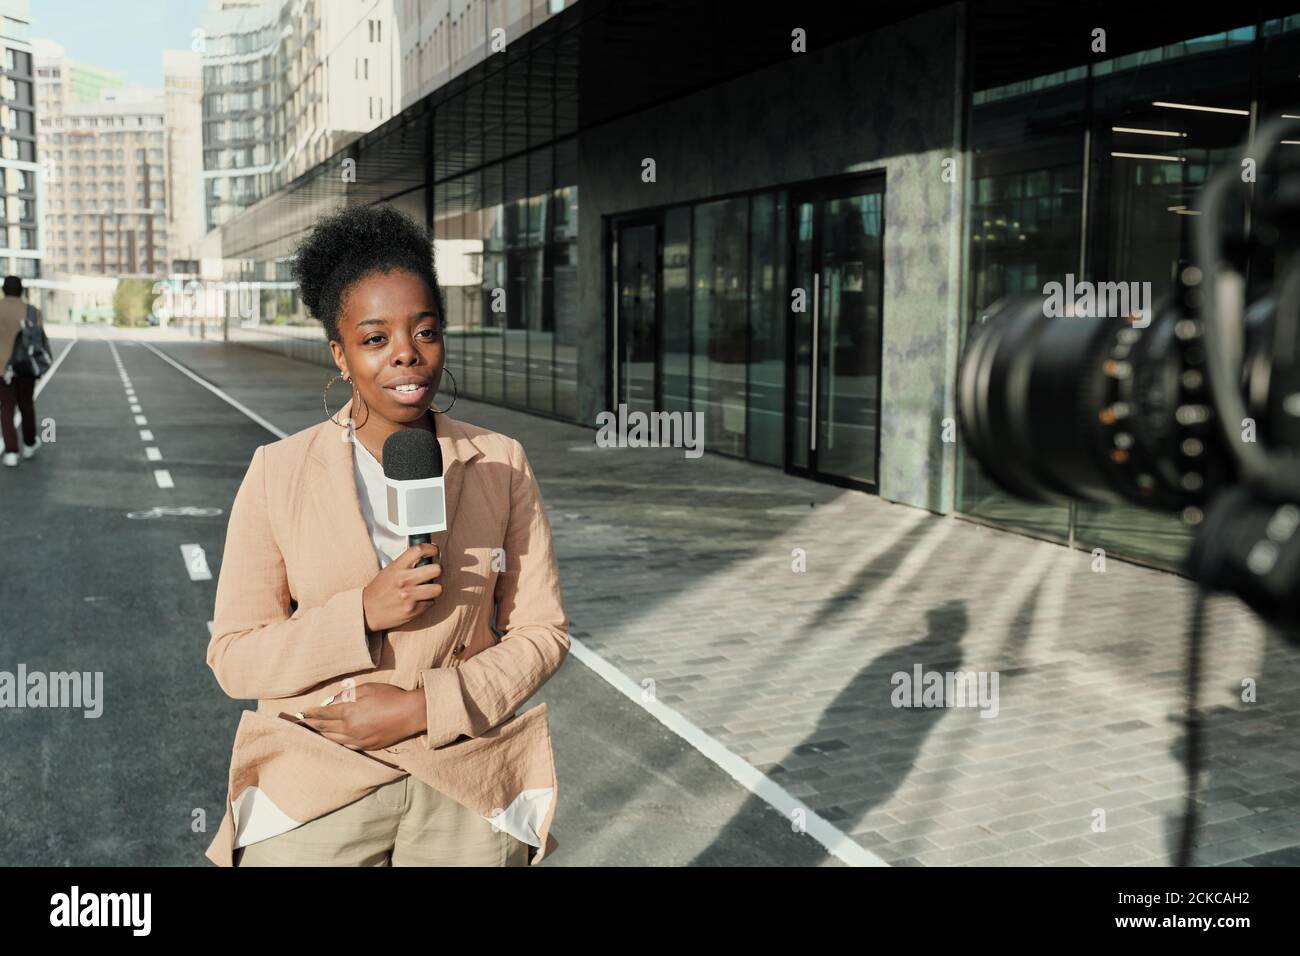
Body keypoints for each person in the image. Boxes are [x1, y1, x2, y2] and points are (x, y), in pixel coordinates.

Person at [204, 204, 570, 867]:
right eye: (375, 339)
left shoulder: (499, 463)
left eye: (425, 331)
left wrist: (423, 708)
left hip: (461, 778)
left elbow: (543, 632)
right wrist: (361, 613)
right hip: (320, 780)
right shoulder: (277, 473)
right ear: (340, 355)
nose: (407, 353)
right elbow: (234, 656)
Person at [0, 275, 43, 467]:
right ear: (21, 291)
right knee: (26, 405)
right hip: (26, 367)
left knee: (6, 408)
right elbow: (39, 340)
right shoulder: (32, 311)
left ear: (3, 290)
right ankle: (29, 444)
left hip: (2, 369)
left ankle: (11, 452)